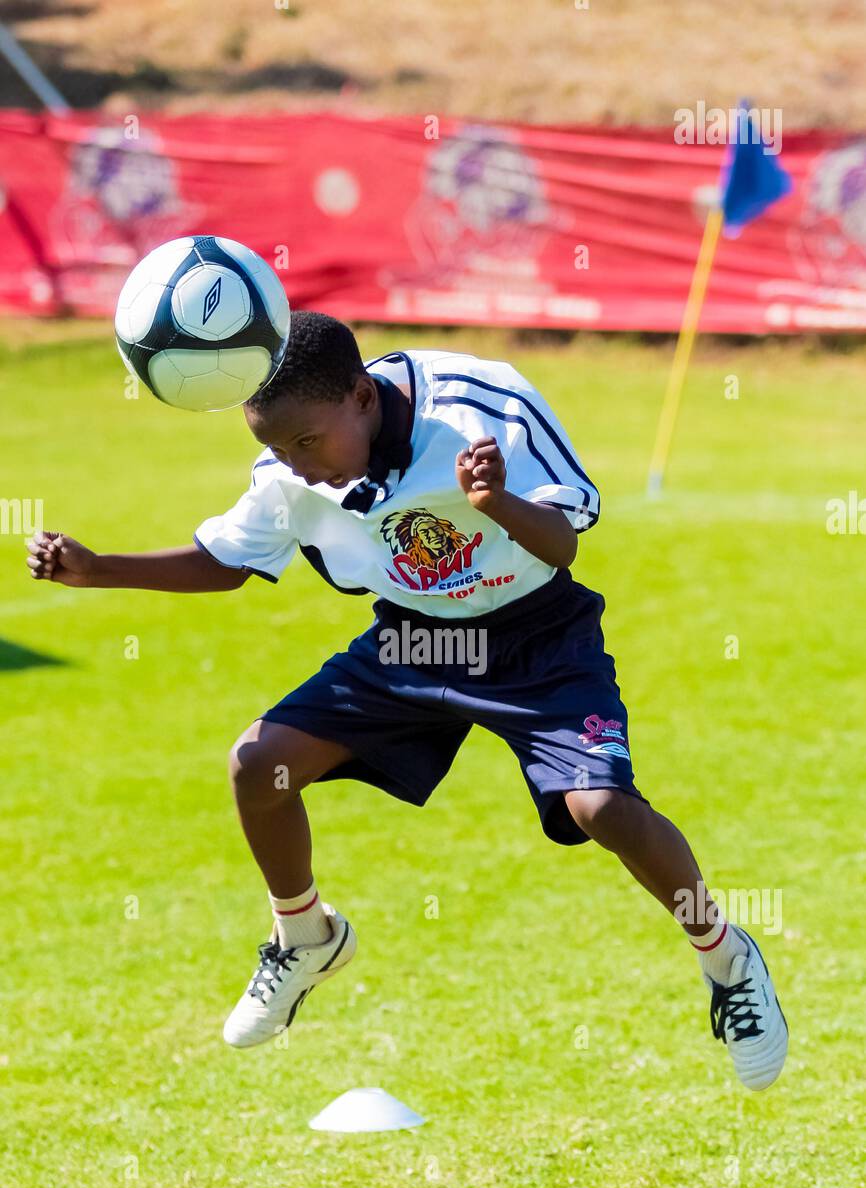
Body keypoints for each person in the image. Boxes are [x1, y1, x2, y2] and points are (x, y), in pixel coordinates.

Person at [26, 311, 788, 1090]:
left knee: (603, 810)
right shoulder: (292, 463)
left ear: (361, 397)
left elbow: (564, 545)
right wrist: (99, 569)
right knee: (261, 766)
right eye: (274, 448)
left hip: (537, 639)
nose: (292, 464)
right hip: (416, 643)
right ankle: (306, 937)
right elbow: (230, 559)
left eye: (304, 444)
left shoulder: (479, 406)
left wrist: (496, 504)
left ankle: (725, 954)